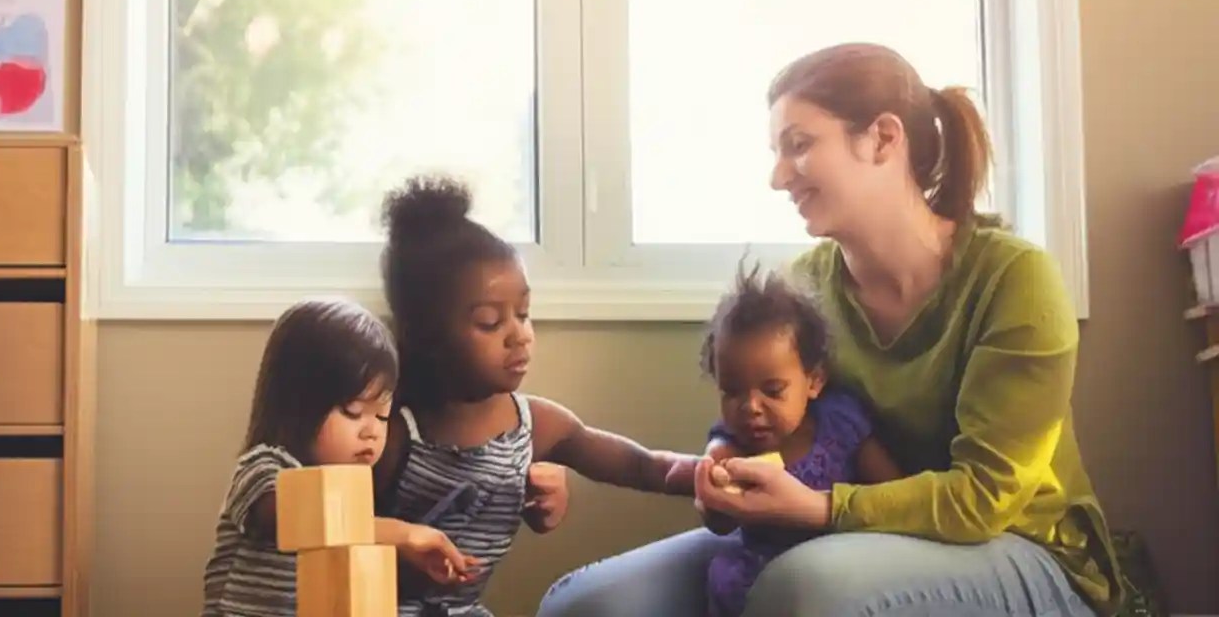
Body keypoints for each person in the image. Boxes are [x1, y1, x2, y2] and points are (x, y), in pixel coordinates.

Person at [536, 43, 1126, 617]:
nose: (777, 177)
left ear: (883, 139)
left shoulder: (1014, 280)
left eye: (799, 146)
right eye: (776, 151)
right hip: (833, 530)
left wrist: (820, 508)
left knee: (805, 587)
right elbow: (783, 431)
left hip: (1024, 551)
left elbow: (983, 501)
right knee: (587, 604)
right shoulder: (807, 287)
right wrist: (725, 467)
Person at [371, 175, 699, 617]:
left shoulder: (533, 426)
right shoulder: (390, 434)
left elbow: (641, 466)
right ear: (425, 335)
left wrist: (706, 473)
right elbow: (324, 532)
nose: (520, 336)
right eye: (491, 322)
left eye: (523, 314)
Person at [200, 298, 477, 617]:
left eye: (383, 416)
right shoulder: (263, 470)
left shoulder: (351, 493)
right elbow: (304, 518)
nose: (372, 431)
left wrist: (409, 558)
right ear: (297, 405)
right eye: (353, 412)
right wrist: (402, 535)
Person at [697, 261, 903, 617]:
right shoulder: (732, 446)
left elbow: (893, 488)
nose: (751, 407)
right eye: (732, 392)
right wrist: (715, 495)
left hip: (848, 563)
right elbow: (720, 521)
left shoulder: (841, 422)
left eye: (772, 391)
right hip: (762, 569)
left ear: (814, 381)